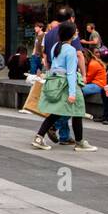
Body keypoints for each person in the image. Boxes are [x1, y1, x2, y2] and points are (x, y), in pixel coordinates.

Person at [33, 22, 97, 151]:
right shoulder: (71, 50)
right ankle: (79, 142)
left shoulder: (56, 46)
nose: (77, 33)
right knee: (78, 111)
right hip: (67, 84)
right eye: (76, 31)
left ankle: (39, 137)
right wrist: (73, 93)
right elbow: (71, 72)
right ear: (71, 34)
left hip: (56, 82)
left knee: (57, 112)